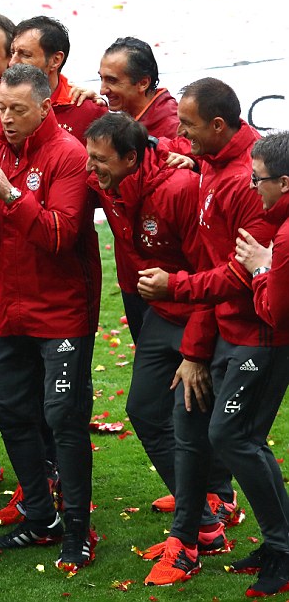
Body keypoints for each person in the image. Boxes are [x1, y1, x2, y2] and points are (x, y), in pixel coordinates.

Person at [0, 64, 101, 571]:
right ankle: (40, 517)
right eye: (2, 109)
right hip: (9, 312)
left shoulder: (70, 156)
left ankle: (77, 529)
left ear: (45, 107)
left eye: (17, 110)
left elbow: (60, 235)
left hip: (62, 314)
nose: (5, 119)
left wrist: (10, 194)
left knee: (64, 419)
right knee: (10, 409)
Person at [136, 78, 289, 596]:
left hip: (259, 335)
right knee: (189, 419)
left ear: (219, 126)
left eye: (189, 127)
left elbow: (240, 272)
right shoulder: (213, 165)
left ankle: (281, 546)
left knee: (234, 437)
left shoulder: (251, 182)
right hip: (224, 329)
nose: (180, 134)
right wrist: (197, 348)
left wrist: (175, 286)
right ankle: (194, 532)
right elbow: (217, 262)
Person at [84, 113, 236, 551]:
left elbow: (212, 272)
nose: (91, 169)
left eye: (100, 160)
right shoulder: (108, 180)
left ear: (132, 158)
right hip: (160, 317)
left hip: (199, 317)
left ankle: (202, 528)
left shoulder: (179, 189)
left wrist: (196, 352)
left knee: (192, 424)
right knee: (145, 411)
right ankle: (203, 516)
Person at [0, 16, 106, 143]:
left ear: (55, 60)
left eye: (25, 55)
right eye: (13, 53)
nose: (12, 63)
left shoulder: (90, 112)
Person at [236, 131, 289, 329]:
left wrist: (261, 268)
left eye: (257, 178)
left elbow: (274, 313)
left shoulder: (285, 236)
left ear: (284, 183)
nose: (251, 186)